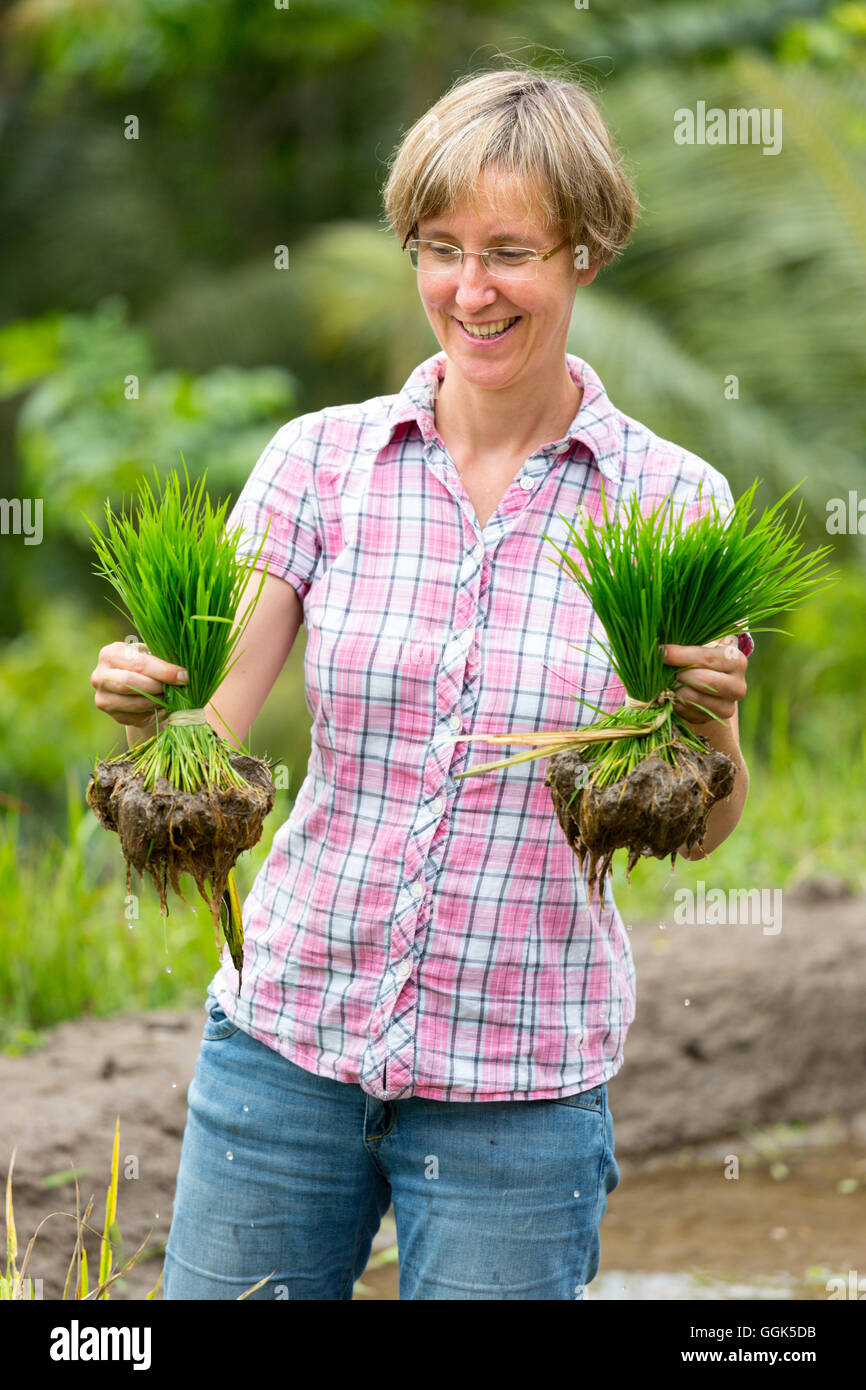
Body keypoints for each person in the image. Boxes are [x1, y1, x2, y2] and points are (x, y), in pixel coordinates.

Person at [90, 63, 752, 1300]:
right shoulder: (319, 464)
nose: (469, 288)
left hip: (519, 1092)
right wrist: (150, 712)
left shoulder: (672, 501)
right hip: (285, 1052)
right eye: (438, 248)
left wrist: (708, 716)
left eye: (509, 250)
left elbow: (703, 826)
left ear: (584, 256)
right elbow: (212, 728)